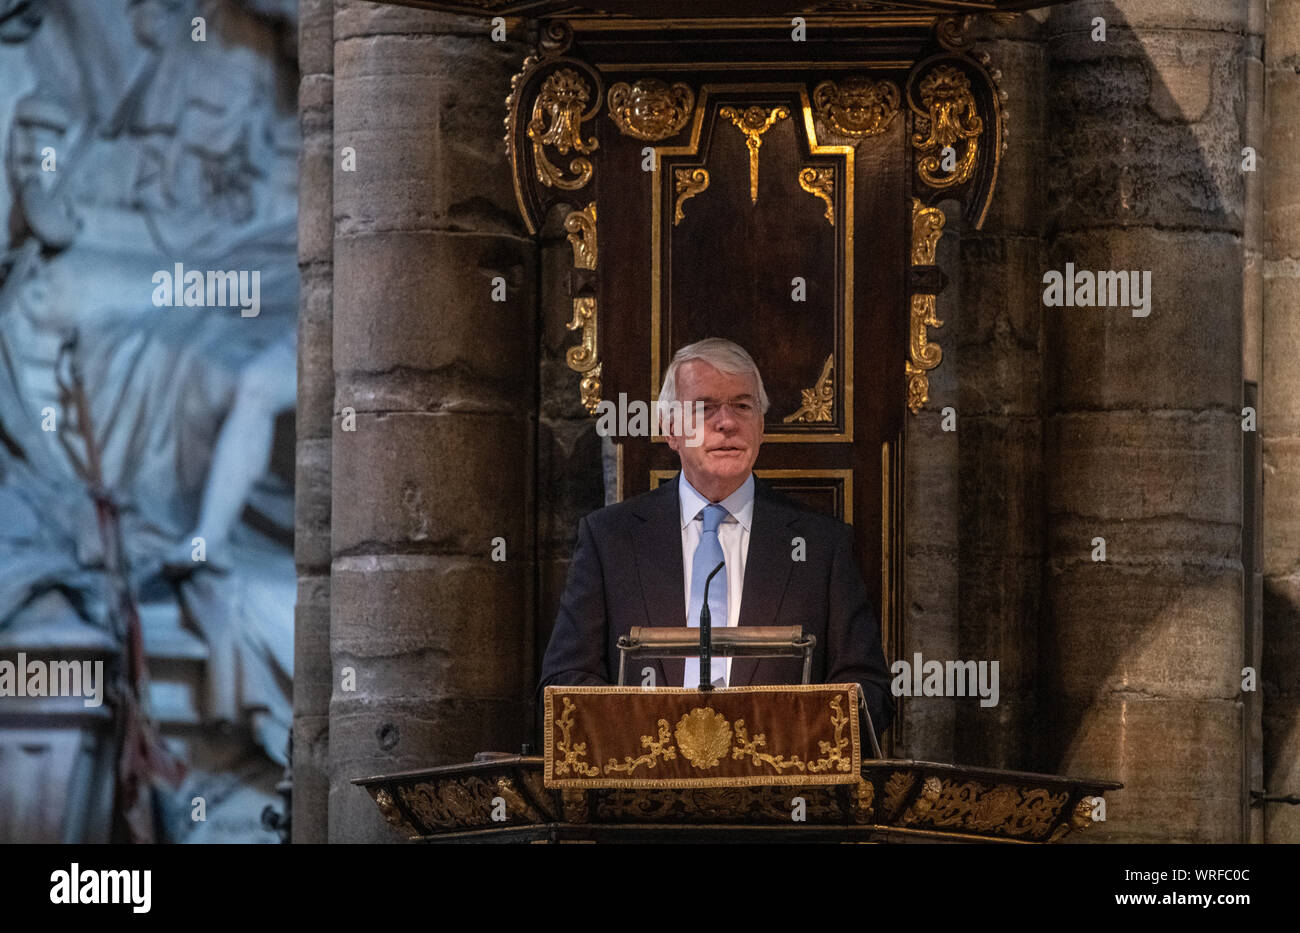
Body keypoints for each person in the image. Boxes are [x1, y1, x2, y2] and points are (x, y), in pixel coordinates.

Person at [538, 337, 894, 741]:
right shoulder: (609, 539)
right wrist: (656, 744)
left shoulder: (823, 546)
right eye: (705, 408)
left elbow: (870, 693)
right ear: (670, 430)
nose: (726, 422)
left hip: (779, 791)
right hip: (646, 788)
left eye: (743, 406)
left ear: (760, 426)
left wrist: (774, 739)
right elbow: (563, 685)